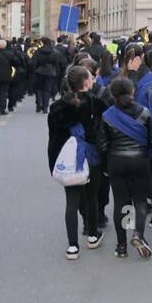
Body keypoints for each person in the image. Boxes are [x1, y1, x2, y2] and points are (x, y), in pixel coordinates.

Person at [98, 77, 152, 258]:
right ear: (133, 92)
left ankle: (122, 246)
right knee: (139, 200)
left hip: (116, 161)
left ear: (113, 94)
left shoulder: (107, 115)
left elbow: (102, 144)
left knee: (121, 202)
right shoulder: (145, 113)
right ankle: (138, 234)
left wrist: (107, 161)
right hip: (140, 160)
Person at [47, 65, 104, 259]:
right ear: (86, 82)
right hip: (91, 155)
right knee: (92, 197)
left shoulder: (57, 107)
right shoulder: (96, 103)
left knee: (71, 201)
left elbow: (53, 137)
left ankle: (72, 246)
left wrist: (54, 160)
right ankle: (93, 235)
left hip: (68, 158)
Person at [31, 37, 62, 114]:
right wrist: (56, 73)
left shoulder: (38, 51)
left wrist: (34, 71)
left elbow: (33, 63)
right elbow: (57, 64)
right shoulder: (55, 52)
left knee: (39, 89)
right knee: (47, 90)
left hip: (39, 72)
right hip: (50, 72)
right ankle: (45, 107)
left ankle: (39, 105)